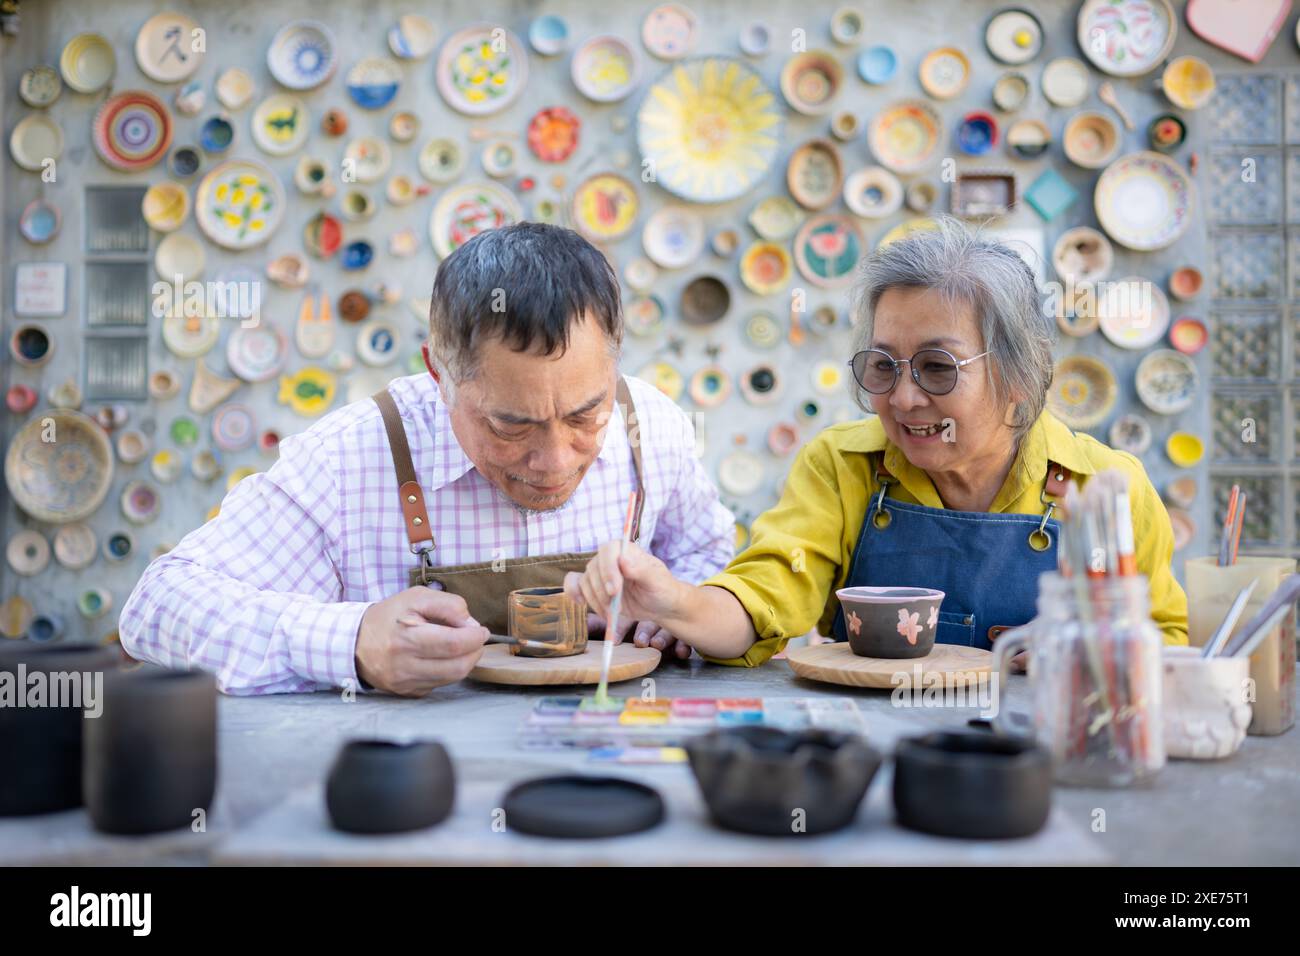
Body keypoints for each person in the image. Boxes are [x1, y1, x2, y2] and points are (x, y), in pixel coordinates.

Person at [120, 223, 735, 695]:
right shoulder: (349, 459)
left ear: (614, 363)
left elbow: (718, 561)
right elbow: (158, 608)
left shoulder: (648, 426)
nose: (552, 461)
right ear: (438, 373)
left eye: (583, 415)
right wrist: (352, 642)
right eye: (510, 424)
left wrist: (680, 605)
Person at [566, 217, 1189, 665]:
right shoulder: (844, 466)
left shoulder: (1106, 489)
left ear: (1018, 376)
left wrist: (1087, 654)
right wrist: (673, 601)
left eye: (938, 367)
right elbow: (761, 602)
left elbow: (1161, 647)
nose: (905, 398)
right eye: (883, 366)